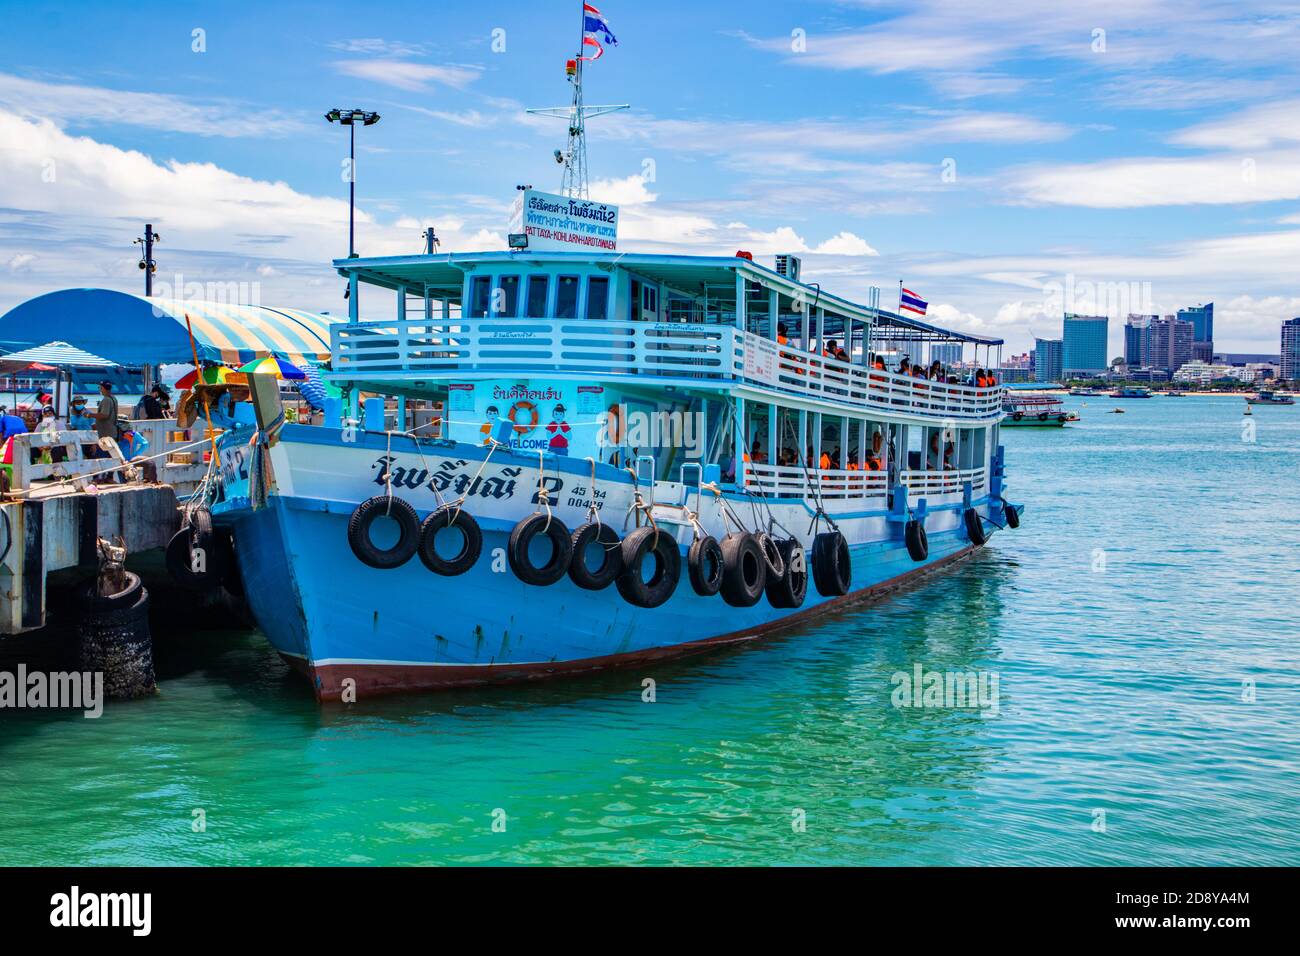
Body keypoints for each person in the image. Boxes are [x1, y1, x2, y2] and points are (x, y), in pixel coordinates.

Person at [91, 380, 119, 455]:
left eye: (99, 387)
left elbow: (104, 415)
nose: (99, 389)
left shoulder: (106, 400)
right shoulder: (113, 398)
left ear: (102, 388)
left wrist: (89, 415)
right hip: (112, 433)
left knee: (103, 456)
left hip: (106, 435)